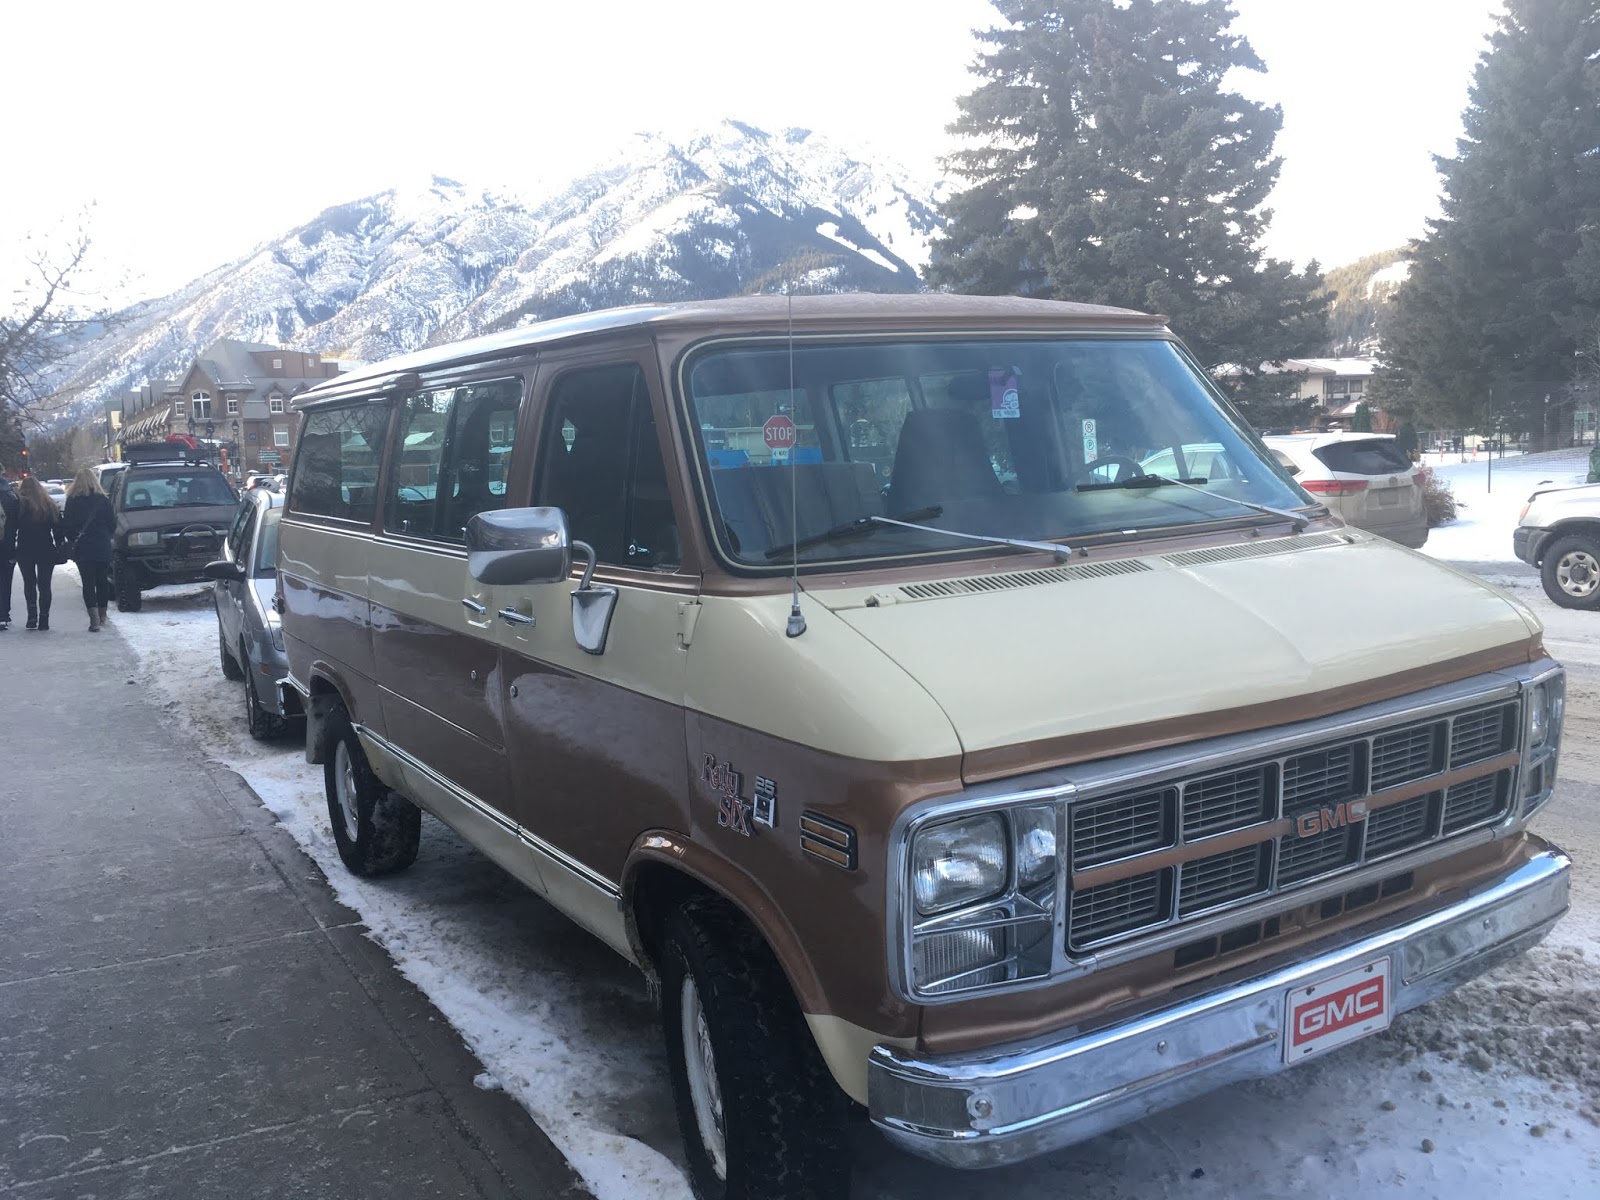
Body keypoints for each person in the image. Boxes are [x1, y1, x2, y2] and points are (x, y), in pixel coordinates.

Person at [63, 466, 116, 632]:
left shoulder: (72, 501)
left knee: (88, 583)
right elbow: (112, 524)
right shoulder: (103, 500)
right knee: (102, 581)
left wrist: (74, 539)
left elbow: (67, 527)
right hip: (102, 546)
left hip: (83, 549)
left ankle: (93, 620)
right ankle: (102, 616)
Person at [13, 476, 65, 631]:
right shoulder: (49, 505)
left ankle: (31, 617)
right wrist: (60, 545)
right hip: (45, 549)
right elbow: (58, 529)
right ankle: (44, 619)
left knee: (29, 583)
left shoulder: (19, 505)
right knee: (44, 585)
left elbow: (12, 527)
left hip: (25, 549)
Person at [0, 465, 18, 631]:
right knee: (5, 580)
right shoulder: (10, 495)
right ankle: (3, 615)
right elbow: (16, 522)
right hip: (7, 545)